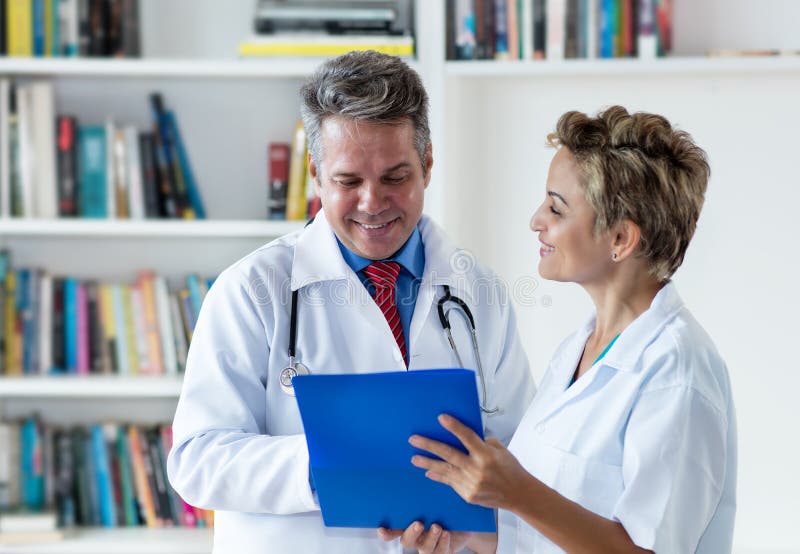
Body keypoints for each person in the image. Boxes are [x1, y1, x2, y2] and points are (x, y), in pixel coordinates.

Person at [166, 50, 536, 554]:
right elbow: (196, 460)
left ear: (427, 165)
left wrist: (473, 525)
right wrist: (328, 466)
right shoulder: (249, 292)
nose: (372, 202)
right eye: (348, 181)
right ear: (316, 175)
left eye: (395, 177)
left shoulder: (480, 295)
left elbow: (518, 458)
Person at [382, 106, 737, 553]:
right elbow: (541, 534)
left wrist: (516, 492)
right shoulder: (578, 352)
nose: (536, 220)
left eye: (556, 207)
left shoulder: (677, 373)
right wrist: (462, 531)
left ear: (621, 240)